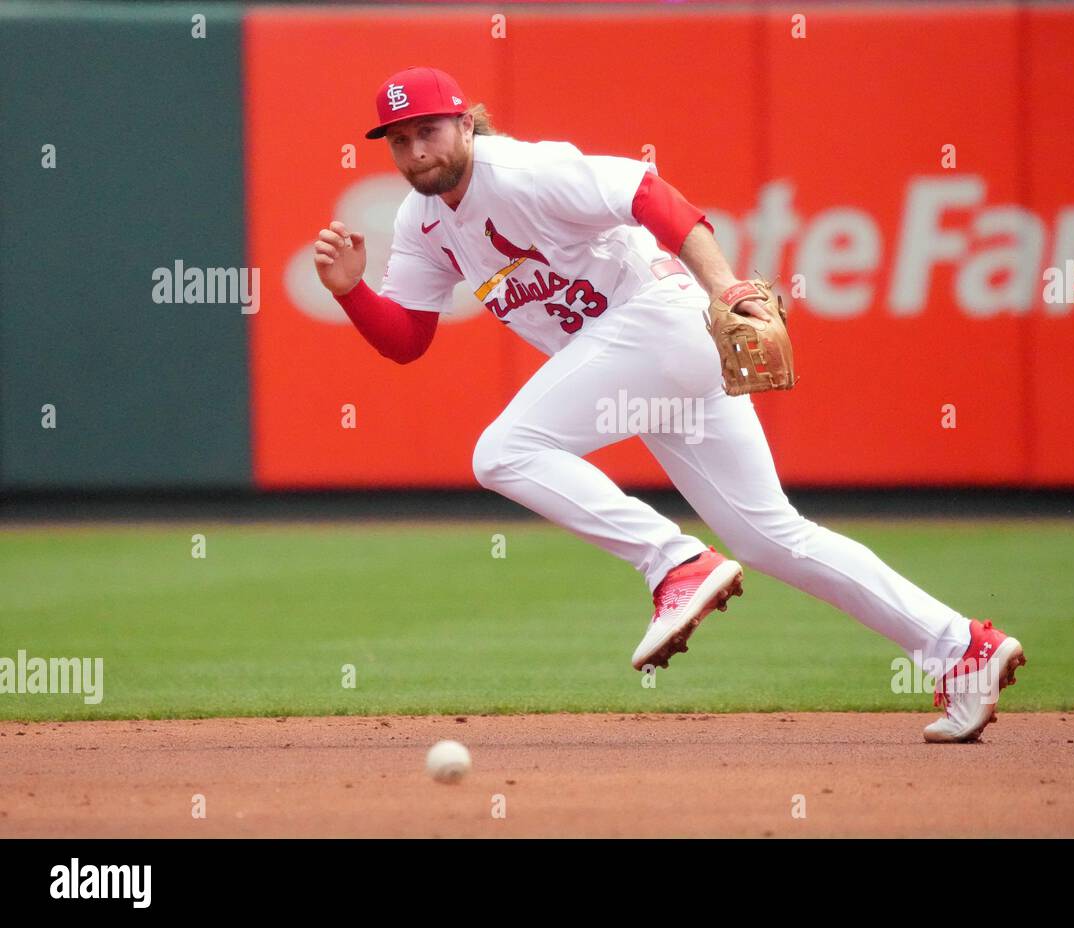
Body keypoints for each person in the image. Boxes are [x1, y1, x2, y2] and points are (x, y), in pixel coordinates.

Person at [312, 67, 1025, 742]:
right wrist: (351, 289)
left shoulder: (526, 171)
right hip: (646, 356)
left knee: (505, 452)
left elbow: (650, 194)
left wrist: (722, 287)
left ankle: (672, 562)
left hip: (660, 321)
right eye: (400, 140)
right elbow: (407, 340)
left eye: (428, 131)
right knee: (768, 536)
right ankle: (962, 647)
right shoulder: (422, 221)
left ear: (465, 123)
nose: (415, 150)